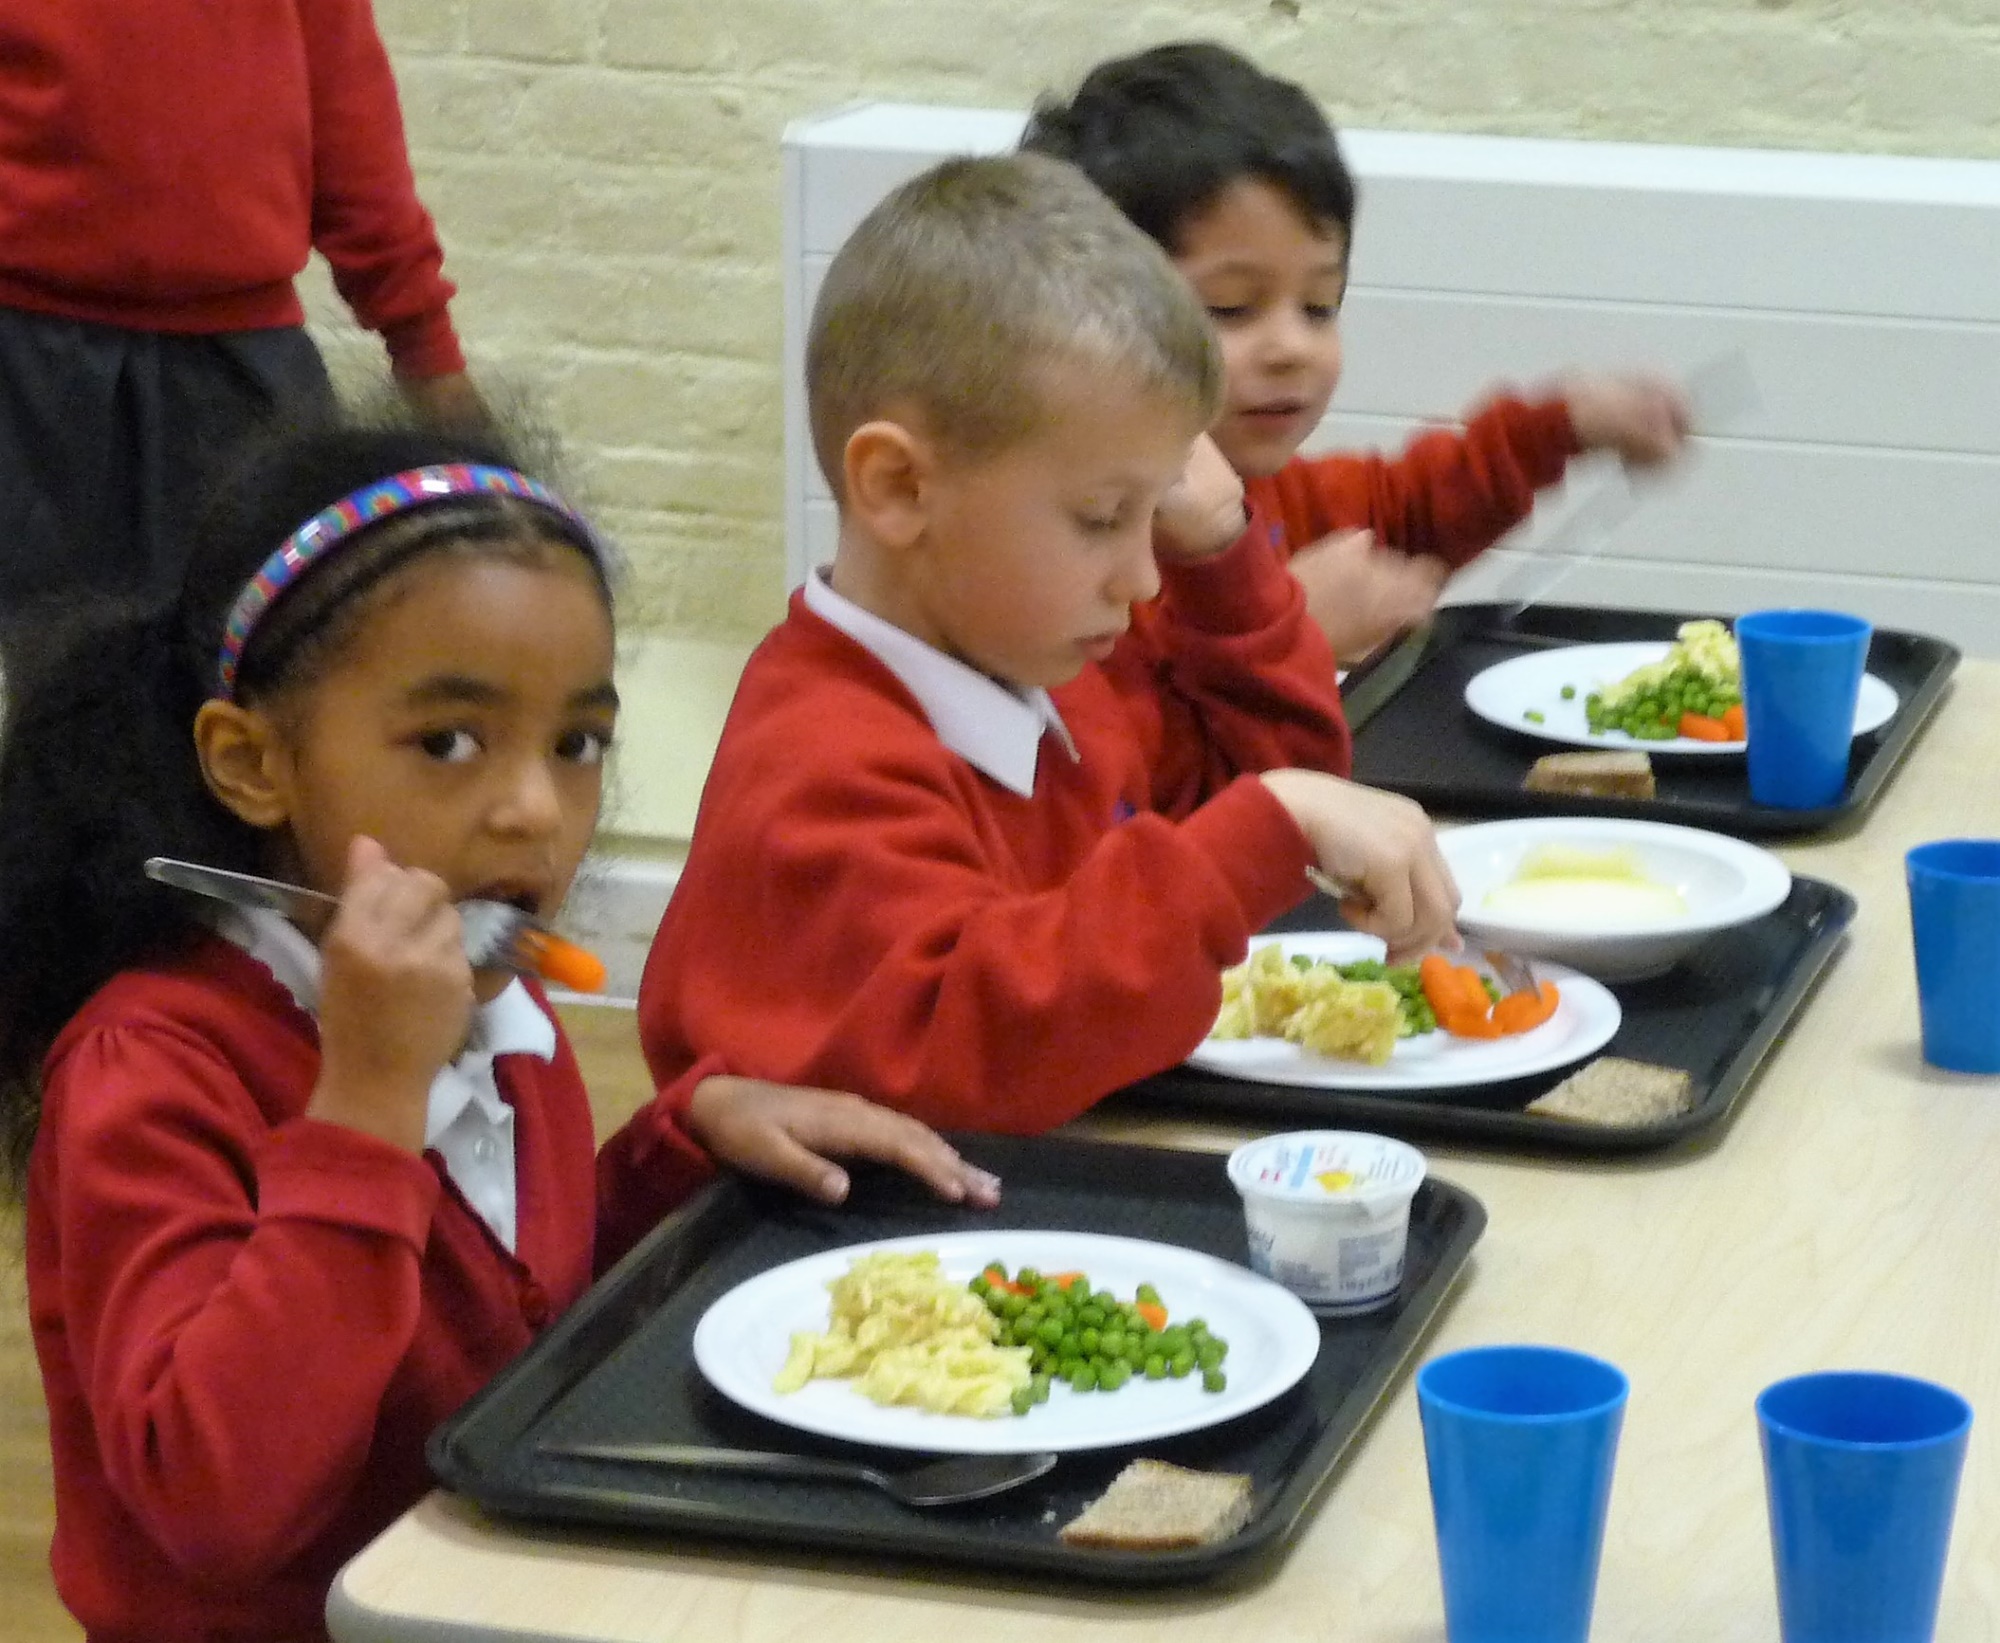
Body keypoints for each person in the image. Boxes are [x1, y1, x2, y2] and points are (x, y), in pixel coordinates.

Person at [0, 413, 1000, 1643]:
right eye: (450, 742)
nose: (536, 810)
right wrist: (367, 1105)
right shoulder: (150, 1067)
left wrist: (680, 1148)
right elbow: (221, 1503)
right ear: (253, 763)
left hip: (488, 1598)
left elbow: (503, 1305)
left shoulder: (499, 1019)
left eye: (577, 743)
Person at [637, 153, 1459, 1139]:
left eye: (1149, 513)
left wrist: (1218, 553)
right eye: (1104, 516)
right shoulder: (822, 761)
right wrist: (1269, 824)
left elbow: (1252, 816)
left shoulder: (1039, 669)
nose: (1142, 578)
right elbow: (974, 1044)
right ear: (899, 489)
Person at [1021, 41, 1692, 663]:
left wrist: (1562, 424)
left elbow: (1407, 513)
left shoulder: (1271, 487)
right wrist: (1284, 629)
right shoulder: (1064, 562)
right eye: (1230, 307)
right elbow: (1125, 769)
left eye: (1319, 306)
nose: (1291, 348)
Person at [0, 2, 484, 613]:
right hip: (25, 351)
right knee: (59, 675)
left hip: (241, 363)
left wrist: (426, 348)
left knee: (271, 643)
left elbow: (348, 115)